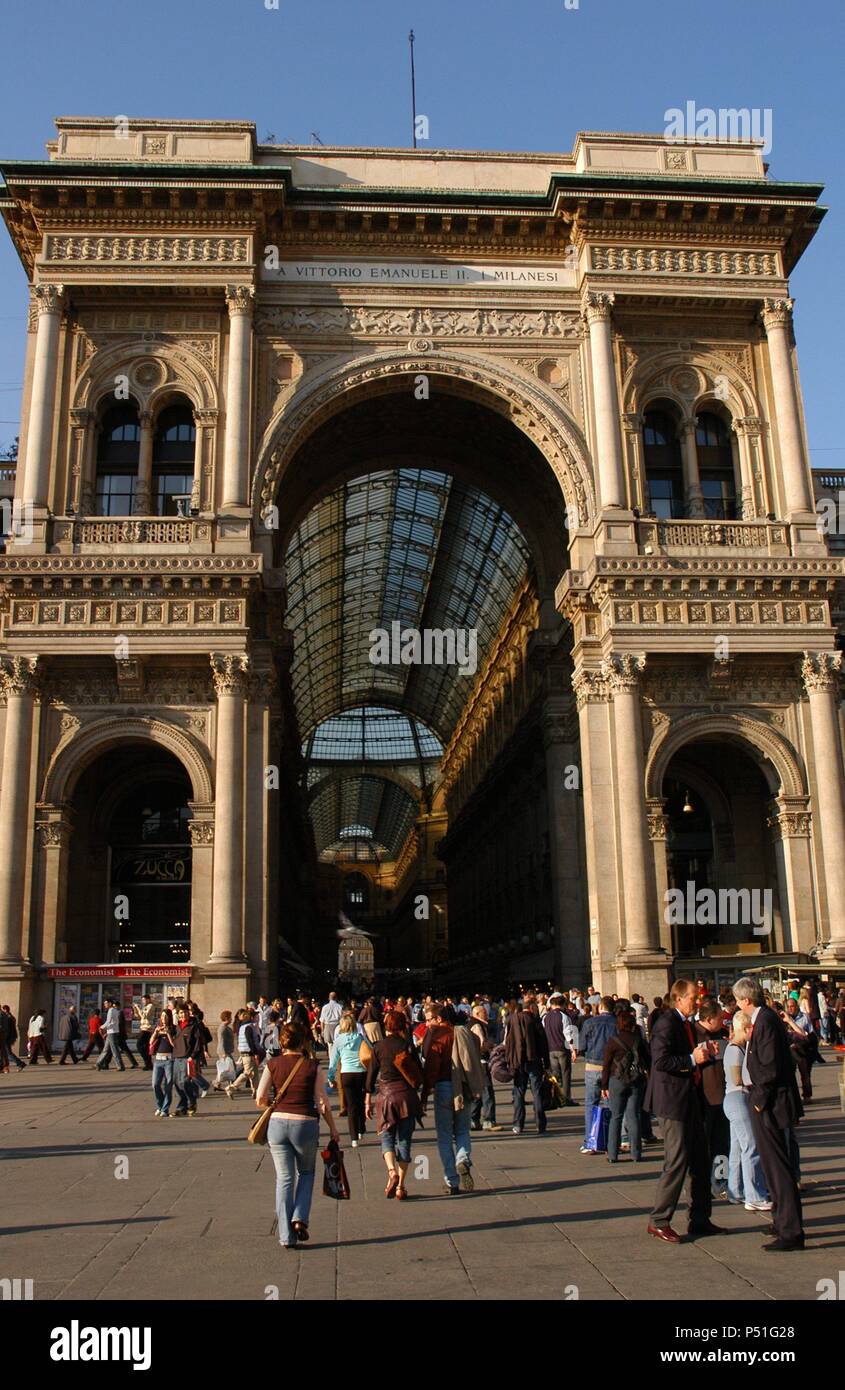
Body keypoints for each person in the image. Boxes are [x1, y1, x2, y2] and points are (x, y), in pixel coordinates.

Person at [644, 978, 721, 1244]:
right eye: (692, 998)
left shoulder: (685, 1023)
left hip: (689, 1099)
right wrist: (691, 1059)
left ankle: (700, 1218)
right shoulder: (666, 1022)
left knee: (700, 1159)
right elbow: (661, 1060)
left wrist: (701, 1052)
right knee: (677, 1160)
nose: (697, 1002)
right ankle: (659, 1220)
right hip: (672, 1101)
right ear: (678, 999)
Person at [734, 976, 805, 1251]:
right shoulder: (764, 1019)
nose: (737, 1005)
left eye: (738, 1000)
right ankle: (781, 1221)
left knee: (778, 1167)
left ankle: (791, 1232)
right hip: (767, 1101)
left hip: (770, 1104)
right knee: (772, 1166)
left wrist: (758, 1102)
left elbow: (771, 1067)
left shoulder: (765, 1021)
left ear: (746, 1000)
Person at [257, 1021, 340, 1249]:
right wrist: (333, 1128)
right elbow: (322, 1103)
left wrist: (274, 1104)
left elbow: (259, 1098)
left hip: (277, 1125)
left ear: (282, 1041)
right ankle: (299, 1217)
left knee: (284, 1178)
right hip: (305, 1123)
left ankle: (285, 1236)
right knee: (306, 1172)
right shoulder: (313, 1066)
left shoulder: (272, 1064)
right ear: (303, 1041)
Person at [422, 1003, 482, 1194]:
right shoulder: (464, 1033)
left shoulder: (439, 1036)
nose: (427, 1023)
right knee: (463, 1130)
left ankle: (452, 1181)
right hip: (464, 1087)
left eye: (429, 1019)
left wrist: (425, 1093)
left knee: (445, 1135)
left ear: (439, 1019)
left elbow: (431, 1066)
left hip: (443, 1087)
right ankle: (462, 1159)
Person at [365, 1009, 423, 1199]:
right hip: (406, 1096)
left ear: (386, 1026)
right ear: (402, 1026)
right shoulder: (407, 1045)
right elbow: (418, 1070)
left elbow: (371, 1075)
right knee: (404, 1140)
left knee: (387, 1137)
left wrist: (367, 1101)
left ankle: (391, 1172)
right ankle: (401, 1186)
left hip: (386, 1096)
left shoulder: (378, 1047)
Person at [722, 1011, 771, 1211]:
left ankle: (736, 1190)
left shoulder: (737, 1047)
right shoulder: (735, 1049)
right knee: (751, 1145)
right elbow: (737, 1078)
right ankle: (755, 1195)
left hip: (733, 1098)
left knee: (737, 1147)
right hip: (738, 1097)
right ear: (743, 1028)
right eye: (749, 1028)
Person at [600, 1001, 650, 1163]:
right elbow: (647, 1060)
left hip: (617, 1079)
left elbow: (606, 1064)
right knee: (633, 1116)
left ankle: (613, 1154)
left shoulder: (613, 1041)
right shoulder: (638, 1040)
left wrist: (604, 1085)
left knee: (616, 1117)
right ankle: (636, 1153)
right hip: (636, 1080)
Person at [694, 999, 731, 1198]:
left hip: (723, 1096)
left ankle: (721, 1182)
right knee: (703, 1145)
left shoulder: (724, 1034)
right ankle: (702, 1184)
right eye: (719, 1018)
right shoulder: (692, 1034)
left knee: (722, 1144)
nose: (723, 1020)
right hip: (703, 1098)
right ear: (709, 1019)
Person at [505, 997, 550, 1136]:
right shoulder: (535, 1021)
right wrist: (546, 1063)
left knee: (518, 1092)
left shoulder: (511, 1020)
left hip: (517, 1061)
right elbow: (543, 1043)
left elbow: (507, 1040)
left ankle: (518, 1124)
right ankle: (540, 1124)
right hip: (534, 1060)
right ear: (531, 1008)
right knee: (536, 1092)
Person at [579, 997, 618, 1152]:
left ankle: (590, 1142)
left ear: (601, 1007)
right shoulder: (617, 1023)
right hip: (611, 1068)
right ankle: (610, 1141)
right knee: (610, 1104)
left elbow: (581, 1045)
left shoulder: (590, 1022)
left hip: (592, 1066)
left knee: (591, 1103)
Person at [327, 1011, 367, 1146]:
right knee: (360, 1102)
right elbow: (370, 1050)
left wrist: (330, 1077)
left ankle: (354, 1138)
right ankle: (361, 1128)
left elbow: (333, 1061)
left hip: (346, 1073)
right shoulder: (360, 1037)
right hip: (361, 1072)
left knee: (351, 1106)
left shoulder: (338, 1041)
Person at [469, 1004, 501, 1130]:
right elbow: (481, 1045)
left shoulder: (471, 1024)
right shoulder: (477, 1025)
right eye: (484, 1013)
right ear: (477, 1014)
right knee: (487, 1092)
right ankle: (489, 1120)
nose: (486, 1015)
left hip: (474, 1062)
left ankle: (473, 1119)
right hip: (481, 1062)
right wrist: (491, 1046)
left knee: (477, 1092)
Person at [543, 993, 578, 1107]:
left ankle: (554, 1098)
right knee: (566, 1074)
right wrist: (573, 1049)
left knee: (554, 1075)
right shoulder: (564, 1017)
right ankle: (566, 1098)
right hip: (562, 1048)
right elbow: (568, 1034)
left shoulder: (545, 1017)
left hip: (550, 1048)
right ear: (562, 1005)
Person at [172, 1004, 203, 1116]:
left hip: (187, 1057)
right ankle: (182, 1107)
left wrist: (193, 1056)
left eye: (185, 1012)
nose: (183, 1014)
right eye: (181, 1013)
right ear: (178, 1015)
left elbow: (198, 1043)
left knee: (184, 1082)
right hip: (177, 1057)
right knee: (177, 1083)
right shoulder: (176, 1027)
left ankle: (192, 1102)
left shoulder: (193, 1026)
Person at [226, 1008, 263, 1097]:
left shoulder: (245, 1026)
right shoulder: (248, 1027)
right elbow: (250, 1041)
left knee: (254, 1074)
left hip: (246, 1052)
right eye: (256, 1016)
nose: (257, 1018)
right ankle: (231, 1087)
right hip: (248, 1053)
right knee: (248, 1073)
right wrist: (255, 1053)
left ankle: (256, 1091)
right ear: (251, 1017)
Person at [149, 1010, 176, 1117]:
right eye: (162, 1016)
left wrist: (168, 1033)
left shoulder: (174, 1028)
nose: (163, 1018)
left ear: (169, 1017)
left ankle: (165, 1109)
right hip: (158, 1060)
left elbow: (174, 1044)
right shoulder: (158, 1027)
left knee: (168, 1085)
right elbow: (151, 1042)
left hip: (169, 1059)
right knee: (155, 1084)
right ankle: (159, 1106)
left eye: (165, 1016)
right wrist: (156, 1032)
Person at [95, 998, 125, 1071]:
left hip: (112, 1032)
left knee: (114, 1050)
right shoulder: (114, 1010)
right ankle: (98, 1064)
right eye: (104, 1003)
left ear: (110, 1004)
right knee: (106, 1049)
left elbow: (108, 1021)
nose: (104, 1005)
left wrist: (101, 1027)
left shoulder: (111, 1010)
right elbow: (112, 1022)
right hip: (111, 1032)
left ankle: (120, 1066)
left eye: (106, 1003)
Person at [213, 1010, 237, 1090]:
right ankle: (231, 1085)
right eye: (230, 1017)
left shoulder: (226, 1027)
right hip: (224, 1051)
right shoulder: (222, 1028)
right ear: (226, 1018)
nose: (231, 1019)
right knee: (230, 1067)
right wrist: (223, 1053)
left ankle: (217, 1083)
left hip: (226, 1050)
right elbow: (221, 1040)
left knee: (225, 1068)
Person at [133, 995, 156, 1070]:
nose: (143, 1002)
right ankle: (148, 1064)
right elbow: (139, 1017)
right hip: (143, 1028)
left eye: (144, 1000)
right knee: (145, 1047)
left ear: (148, 1000)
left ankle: (147, 1062)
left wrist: (138, 1008)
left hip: (147, 1029)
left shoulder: (150, 1006)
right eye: (142, 1000)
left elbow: (144, 1015)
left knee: (139, 1045)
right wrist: (135, 1010)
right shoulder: (145, 1007)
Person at [1, 1005, 26, 1069]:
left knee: (8, 1053)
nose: (3, 1011)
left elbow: (7, 1029)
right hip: (7, 1037)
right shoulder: (9, 1017)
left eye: (3, 1009)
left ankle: (19, 1063)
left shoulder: (7, 1017)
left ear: (6, 1010)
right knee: (6, 1053)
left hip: (5, 1037)